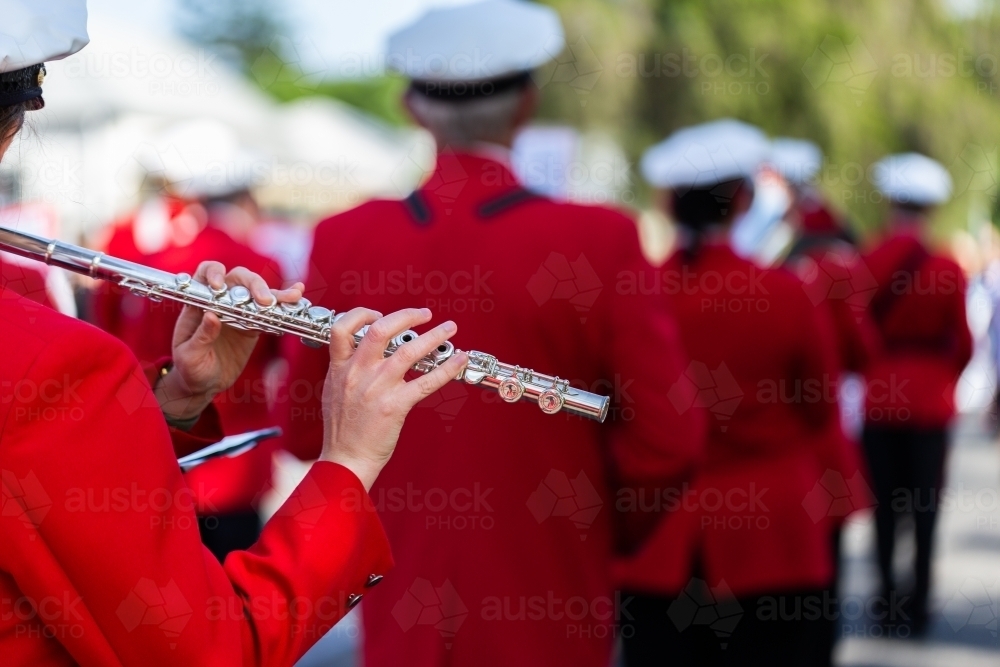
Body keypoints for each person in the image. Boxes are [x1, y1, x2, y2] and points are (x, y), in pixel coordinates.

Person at [0, 3, 468, 664]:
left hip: (145, 485)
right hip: (228, 485)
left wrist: (169, 398)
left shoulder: (120, 251)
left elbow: (34, 460)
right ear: (14, 127)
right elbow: (213, 648)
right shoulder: (54, 355)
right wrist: (349, 460)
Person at [279, 2, 705, 666]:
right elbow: (669, 437)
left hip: (403, 602)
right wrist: (597, 525)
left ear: (413, 109)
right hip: (552, 594)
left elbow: (306, 428)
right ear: (526, 105)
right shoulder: (600, 239)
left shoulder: (344, 239)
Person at [617, 120, 851, 666]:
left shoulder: (638, 294)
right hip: (772, 536)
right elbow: (820, 408)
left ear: (669, 202)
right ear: (743, 200)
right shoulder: (785, 293)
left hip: (662, 535)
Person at [90, 120, 285, 560]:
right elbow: (278, 354)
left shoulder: (142, 258)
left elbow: (107, 340)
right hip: (234, 464)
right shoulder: (258, 261)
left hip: (152, 452)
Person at [773, 137, 877, 665]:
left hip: (743, 447)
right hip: (816, 435)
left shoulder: (748, 253)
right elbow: (860, 348)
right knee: (819, 584)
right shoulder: (838, 256)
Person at [862, 152, 972, 635]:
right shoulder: (948, 267)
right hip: (930, 403)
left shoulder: (869, 257)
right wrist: (942, 378)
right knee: (924, 508)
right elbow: (964, 342)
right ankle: (920, 603)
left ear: (891, 204)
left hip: (881, 396)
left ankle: (885, 600)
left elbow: (853, 329)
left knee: (885, 509)